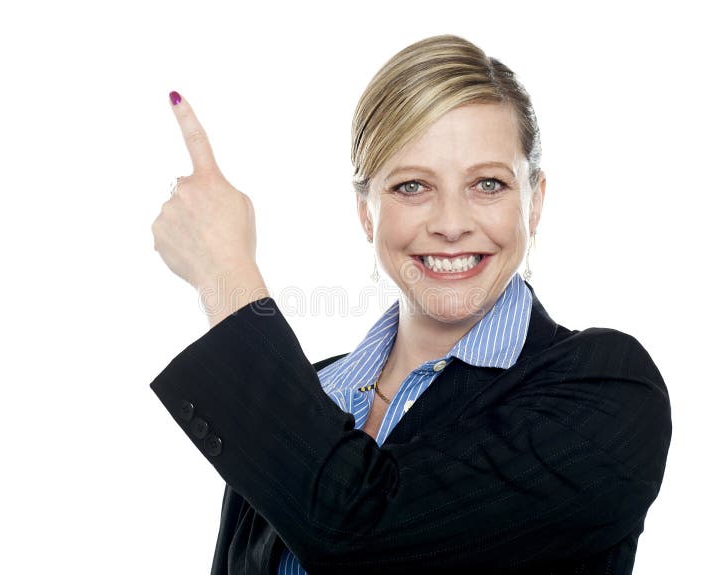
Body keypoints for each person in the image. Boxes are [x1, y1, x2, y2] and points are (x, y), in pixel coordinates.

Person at [150, 34, 671, 575]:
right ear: (366, 212)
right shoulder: (304, 394)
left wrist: (225, 276)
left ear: (534, 203)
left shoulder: (606, 390)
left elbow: (359, 533)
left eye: (488, 184)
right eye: (412, 186)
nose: (450, 223)